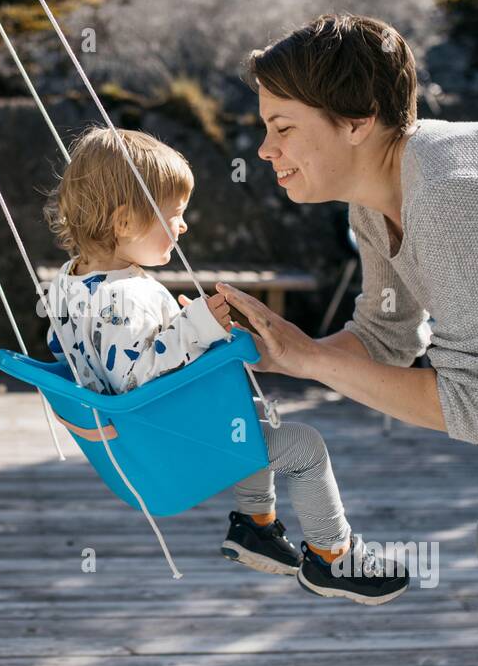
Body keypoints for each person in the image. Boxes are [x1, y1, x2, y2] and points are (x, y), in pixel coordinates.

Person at [217, 13, 478, 666]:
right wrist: (280, 345)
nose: (265, 147)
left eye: (283, 127)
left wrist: (306, 357)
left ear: (357, 120)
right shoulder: (383, 197)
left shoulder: (454, 189)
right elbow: (385, 335)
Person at [41, 125, 409, 604]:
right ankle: (332, 559)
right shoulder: (124, 297)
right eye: (174, 215)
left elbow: (72, 347)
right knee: (304, 447)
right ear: (126, 222)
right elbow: (136, 377)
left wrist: (171, 327)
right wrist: (190, 328)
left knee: (243, 411)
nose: (183, 226)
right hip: (167, 443)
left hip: (142, 438)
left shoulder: (69, 284)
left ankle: (255, 528)